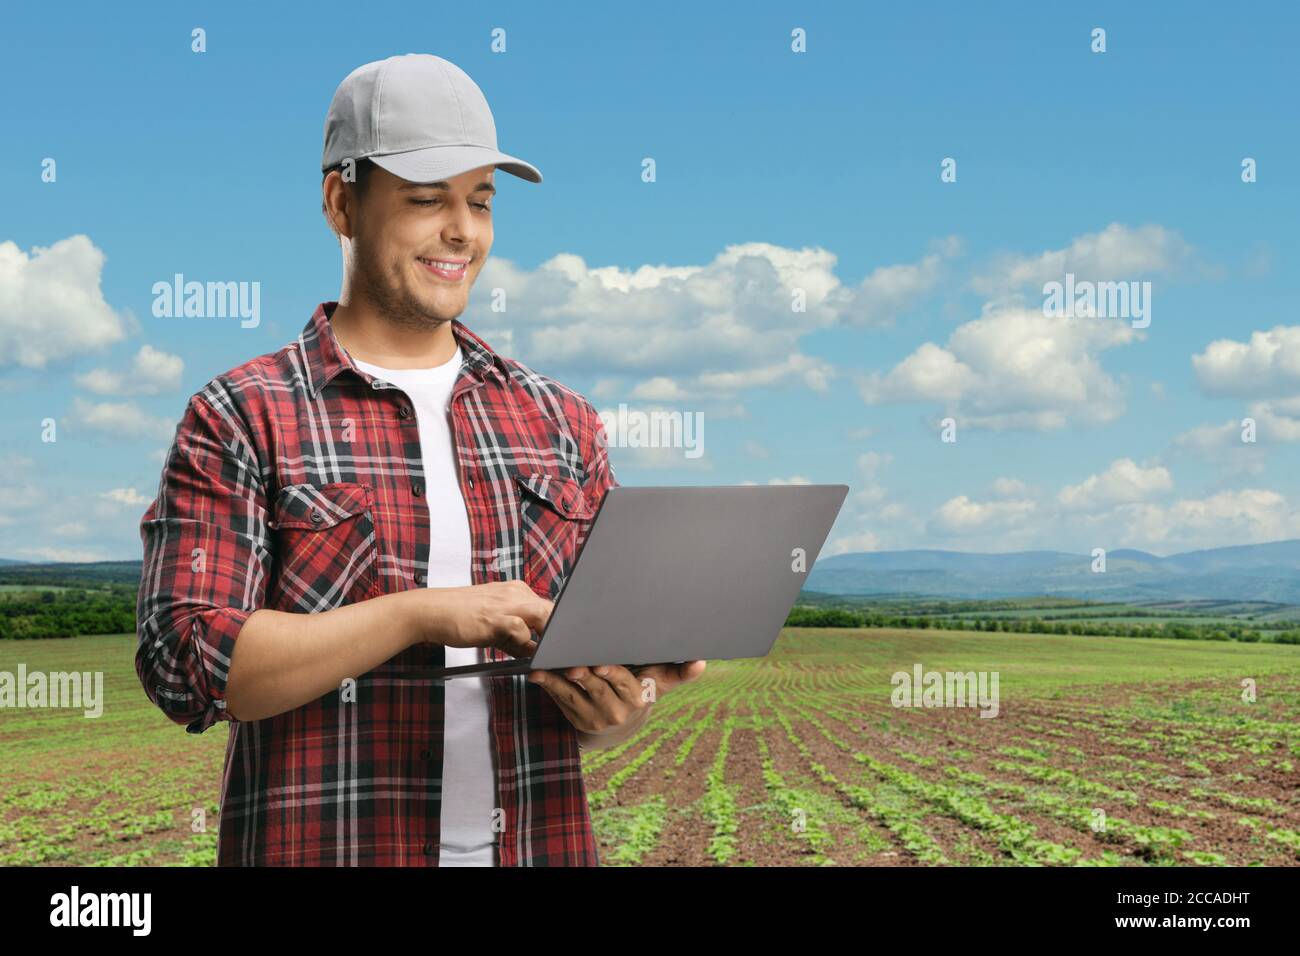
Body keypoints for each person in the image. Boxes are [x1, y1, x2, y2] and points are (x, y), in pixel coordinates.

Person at [135, 53, 705, 867]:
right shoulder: (241, 413)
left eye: (479, 201)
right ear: (342, 201)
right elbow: (188, 663)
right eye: (426, 199)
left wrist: (622, 706)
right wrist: (423, 613)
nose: (462, 231)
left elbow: (607, 688)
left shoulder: (560, 420)